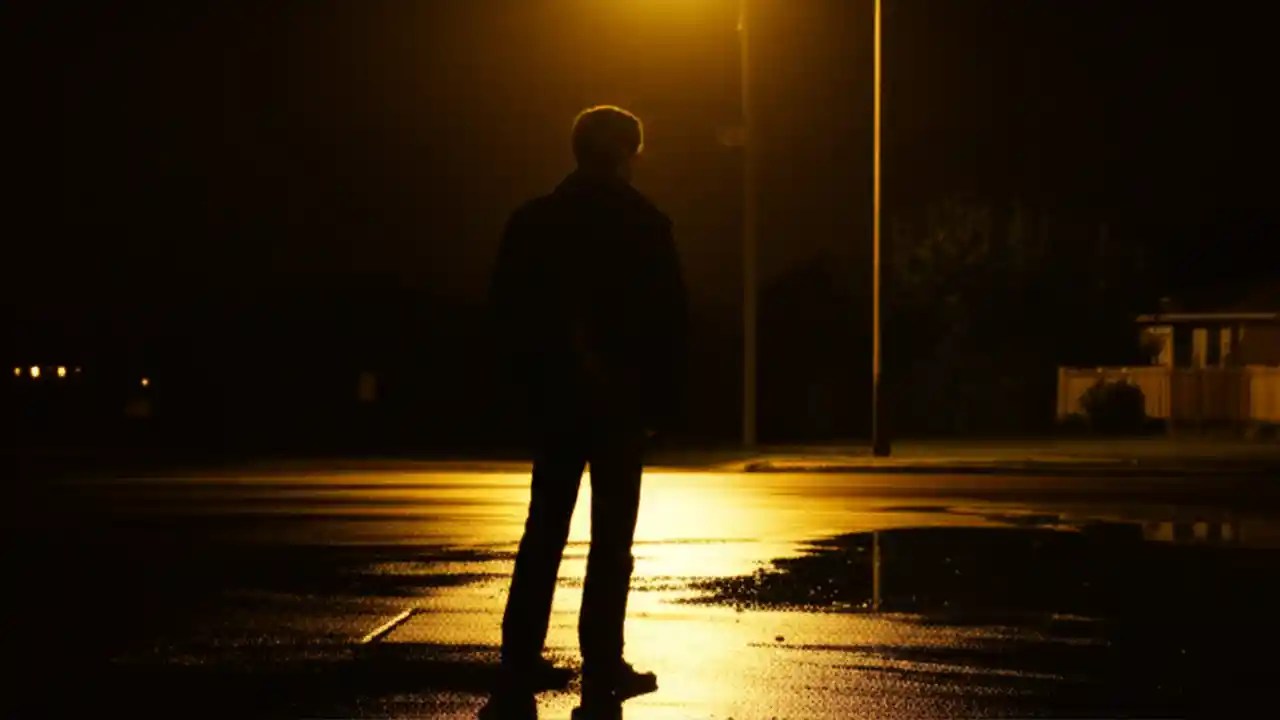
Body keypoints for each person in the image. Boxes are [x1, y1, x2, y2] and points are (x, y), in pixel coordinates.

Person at [488, 105, 688, 707]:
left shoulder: (535, 220)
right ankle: (602, 659)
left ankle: (520, 657)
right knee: (611, 539)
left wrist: (526, 384)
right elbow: (669, 321)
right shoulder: (646, 223)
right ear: (626, 154)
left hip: (555, 397)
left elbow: (506, 310)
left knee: (544, 529)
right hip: (621, 402)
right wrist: (661, 398)